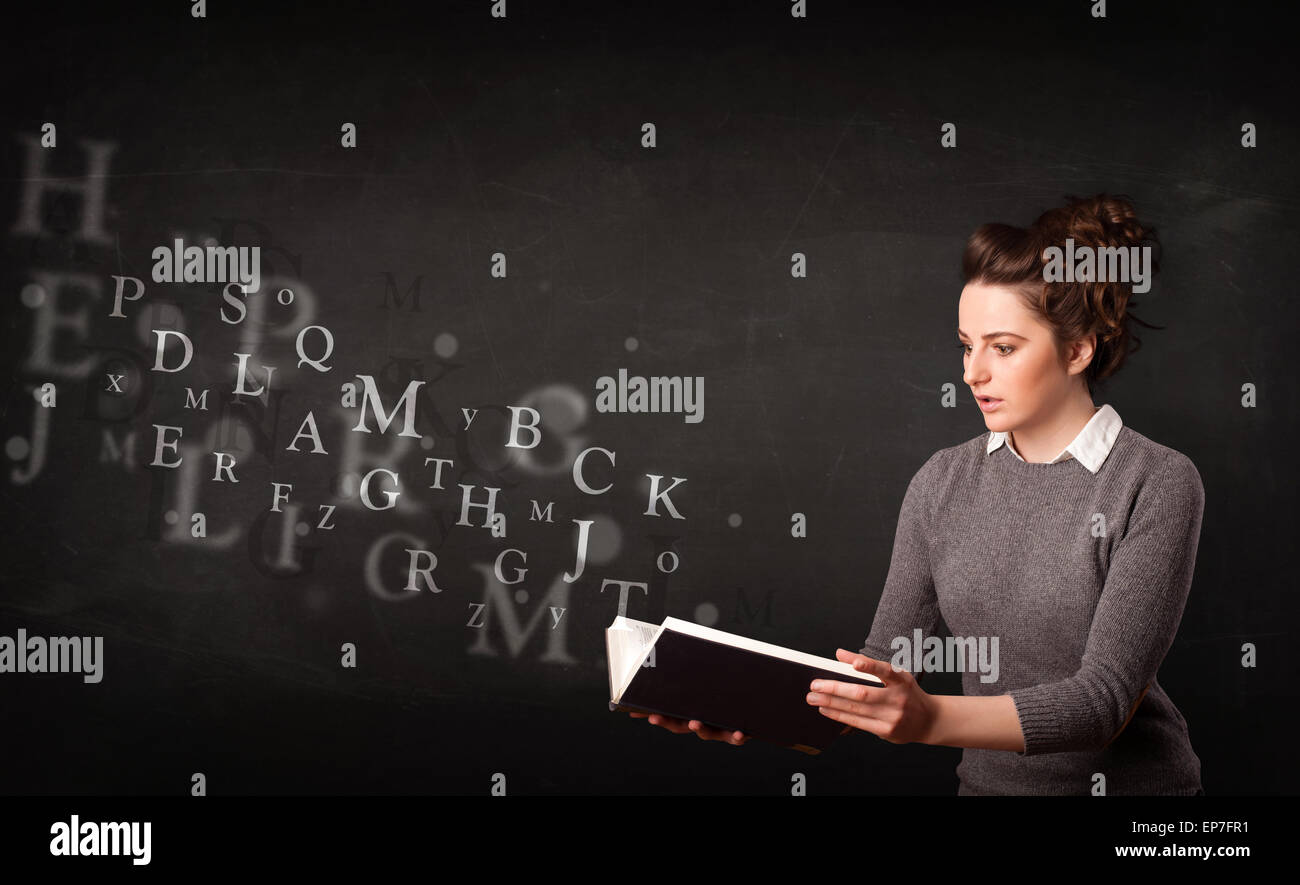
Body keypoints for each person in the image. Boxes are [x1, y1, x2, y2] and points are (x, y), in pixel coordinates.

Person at [631, 194, 1206, 795]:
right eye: (966, 344)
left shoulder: (1156, 480)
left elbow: (1102, 703)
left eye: (1003, 347)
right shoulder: (942, 482)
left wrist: (930, 718)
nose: (972, 372)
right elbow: (885, 669)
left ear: (1077, 350)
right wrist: (743, 704)